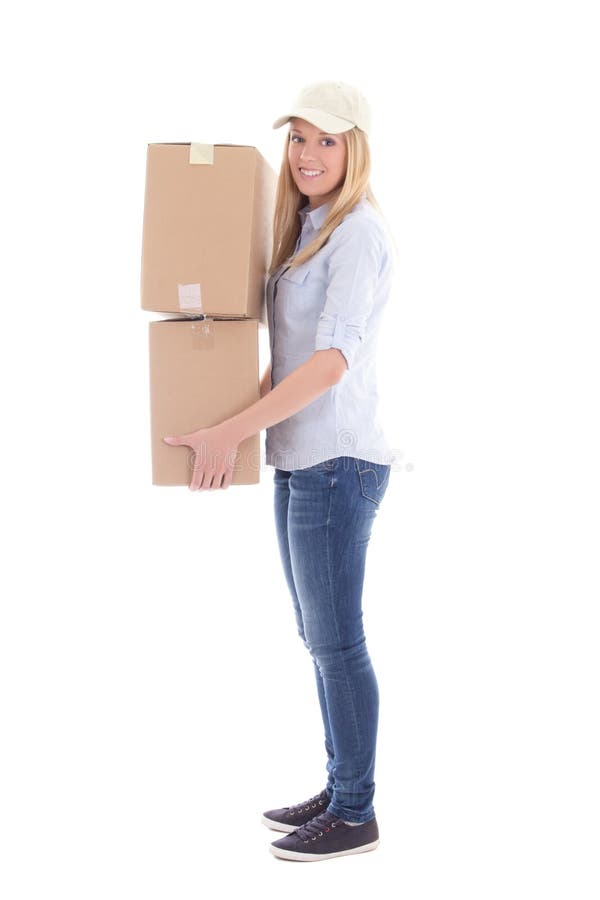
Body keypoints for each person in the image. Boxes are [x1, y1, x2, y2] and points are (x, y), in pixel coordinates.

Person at [163, 80, 396, 862]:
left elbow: (329, 365)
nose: (308, 154)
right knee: (319, 638)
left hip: (337, 459)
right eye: (298, 137)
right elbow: (291, 362)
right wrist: (227, 426)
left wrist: (230, 431)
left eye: (327, 140)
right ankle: (341, 786)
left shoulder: (357, 233)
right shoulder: (308, 231)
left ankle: (356, 811)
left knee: (338, 643)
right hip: (300, 458)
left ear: (355, 149)